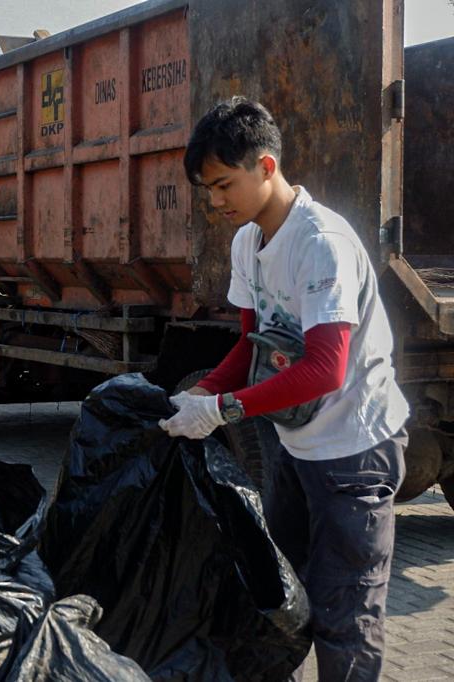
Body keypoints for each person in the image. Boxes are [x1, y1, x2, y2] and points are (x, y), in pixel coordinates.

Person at [161, 97, 409, 681]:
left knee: (343, 615)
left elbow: (325, 367)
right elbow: (250, 348)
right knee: (281, 599)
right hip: (297, 452)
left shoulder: (320, 242)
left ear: (266, 167)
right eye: (208, 189)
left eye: (224, 185)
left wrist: (224, 409)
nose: (216, 201)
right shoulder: (248, 243)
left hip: (355, 452)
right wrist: (194, 402)